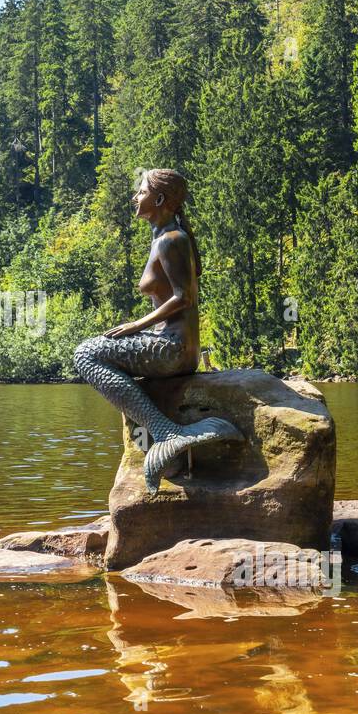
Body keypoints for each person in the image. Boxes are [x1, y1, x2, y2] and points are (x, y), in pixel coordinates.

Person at [73, 168, 242, 491]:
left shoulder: (172, 240)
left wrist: (138, 325)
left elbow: (185, 298)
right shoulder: (165, 237)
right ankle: (171, 455)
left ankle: (165, 431)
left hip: (172, 349)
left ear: (160, 198)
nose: (135, 197)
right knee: (102, 359)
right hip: (170, 344)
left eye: (141, 192)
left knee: (85, 354)